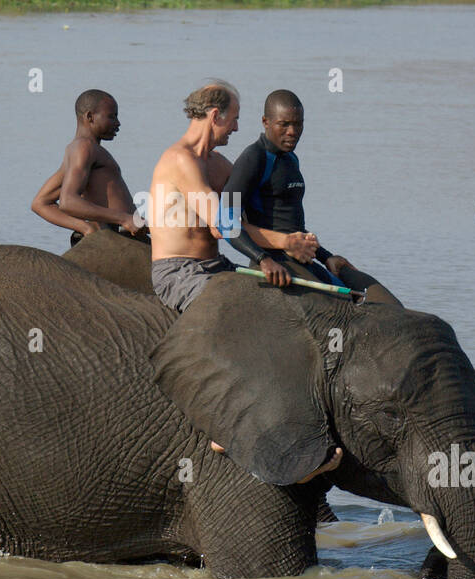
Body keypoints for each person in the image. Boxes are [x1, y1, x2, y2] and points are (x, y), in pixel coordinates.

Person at [147, 80, 343, 484]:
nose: (236, 129)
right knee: (240, 319)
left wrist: (300, 247)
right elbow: (223, 225)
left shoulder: (218, 166)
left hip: (213, 265)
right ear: (215, 115)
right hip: (179, 271)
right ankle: (223, 429)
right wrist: (271, 250)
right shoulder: (179, 161)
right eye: (234, 119)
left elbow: (245, 223)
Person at [221, 89, 356, 286]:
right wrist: (263, 260)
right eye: (284, 124)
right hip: (275, 264)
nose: (292, 131)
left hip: (301, 260)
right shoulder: (253, 159)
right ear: (265, 122)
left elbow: (291, 227)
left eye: (298, 124)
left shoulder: (291, 159)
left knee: (360, 294)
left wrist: (326, 257)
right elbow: (225, 221)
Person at [30, 89, 143, 247]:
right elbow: (68, 201)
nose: (118, 123)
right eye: (112, 116)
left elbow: (40, 203)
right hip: (115, 241)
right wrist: (123, 218)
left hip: (119, 234)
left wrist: (85, 227)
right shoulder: (84, 148)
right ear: (90, 117)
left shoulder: (79, 149)